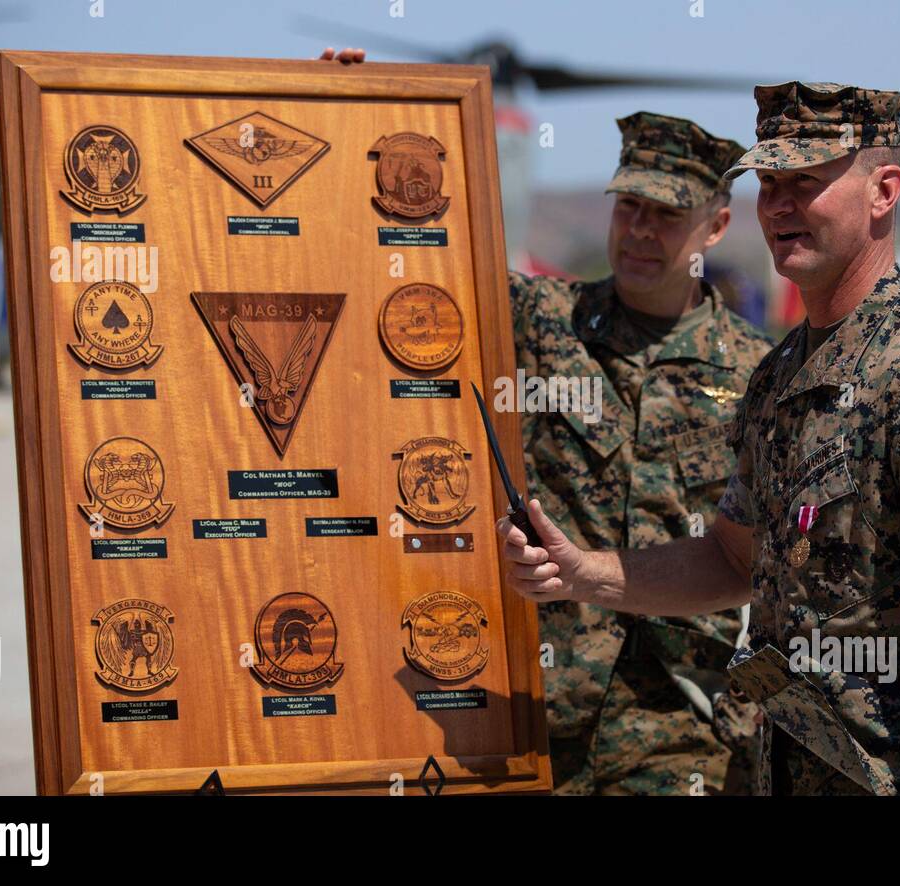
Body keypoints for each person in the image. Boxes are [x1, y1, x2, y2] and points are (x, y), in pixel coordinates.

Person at [498, 81, 900, 796]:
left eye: (805, 183)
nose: (779, 206)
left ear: (884, 191)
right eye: (768, 184)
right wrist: (581, 572)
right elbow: (729, 559)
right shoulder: (779, 379)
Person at [317, 48, 772, 795]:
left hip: (683, 726)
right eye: (629, 206)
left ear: (717, 226)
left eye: (667, 214)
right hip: (531, 711)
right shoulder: (537, 320)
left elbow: (758, 564)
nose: (640, 231)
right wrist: (346, 109)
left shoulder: (761, 374)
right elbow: (399, 260)